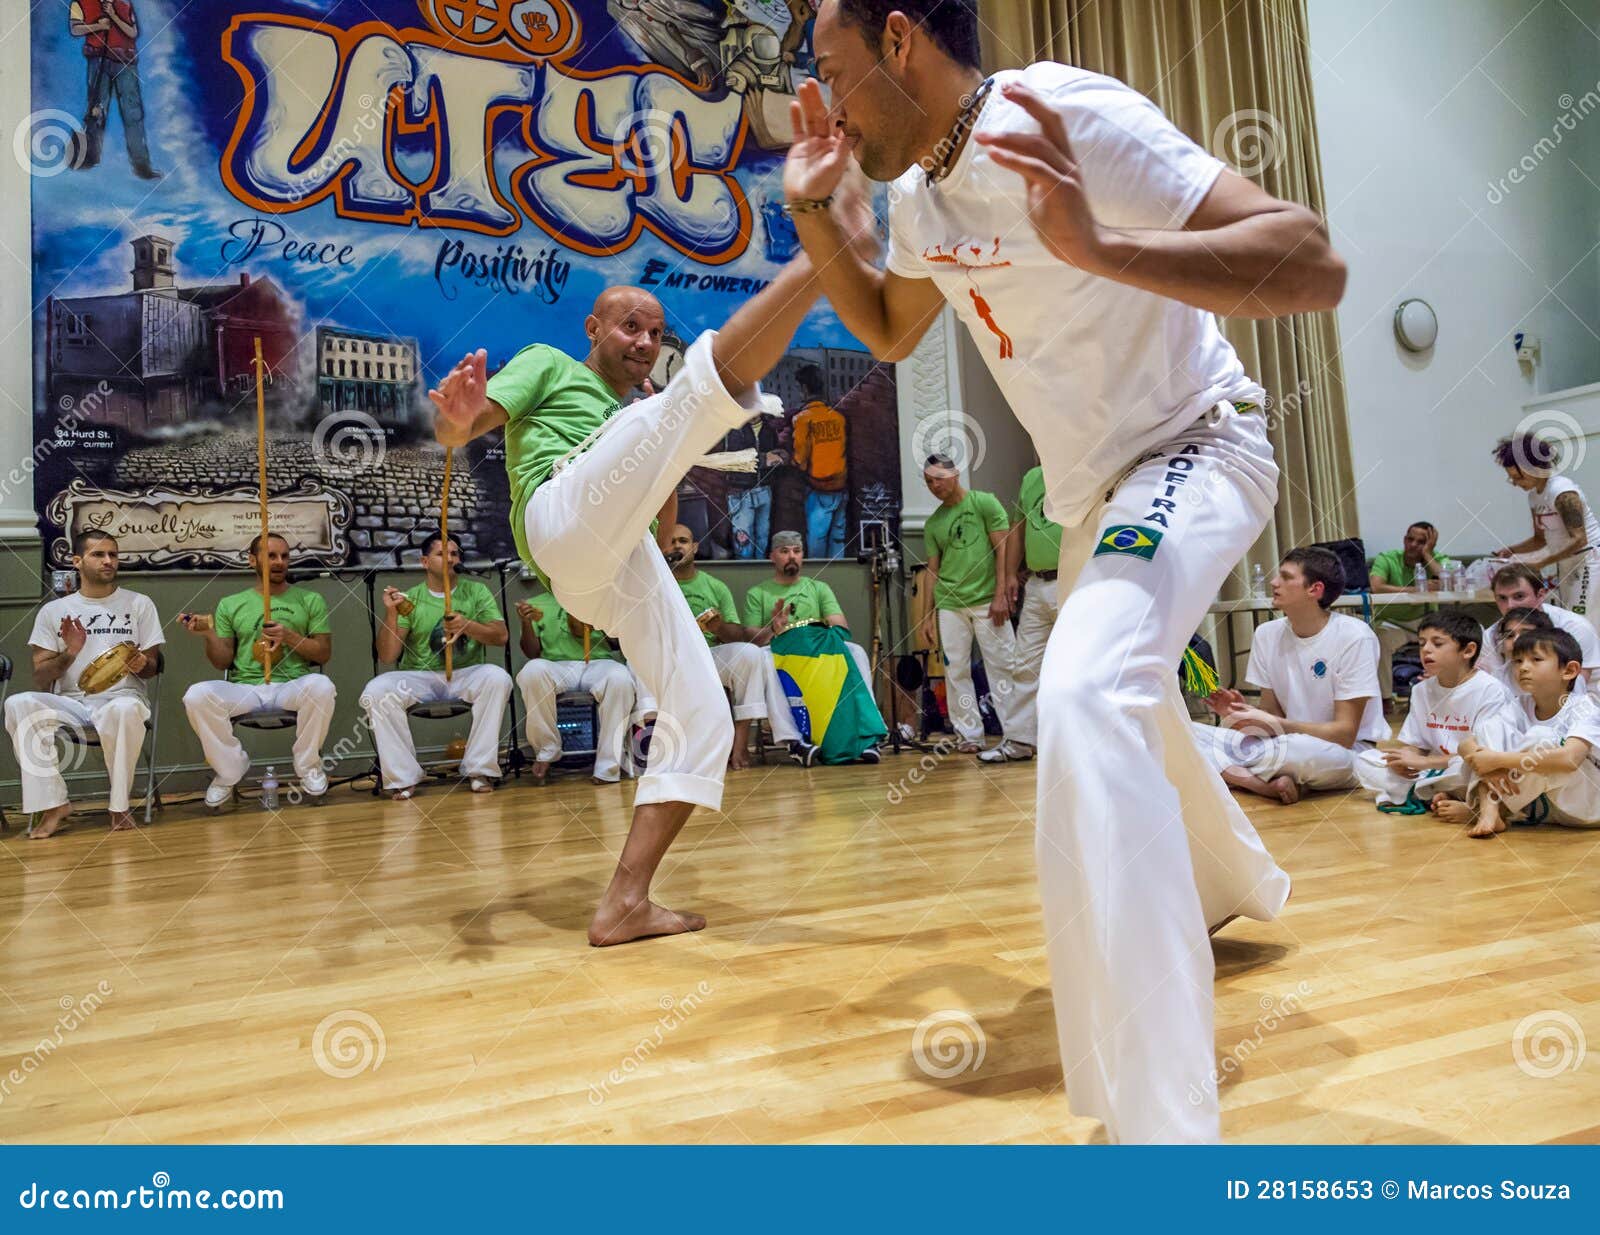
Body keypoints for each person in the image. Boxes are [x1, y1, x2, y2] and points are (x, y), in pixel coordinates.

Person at [784, 0, 1345, 1142]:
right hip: (1095, 499)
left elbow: (1312, 262)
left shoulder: (1065, 113)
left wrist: (1101, 247)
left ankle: (1162, 1125)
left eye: (837, 74)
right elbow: (891, 326)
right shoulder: (914, 194)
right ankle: (1222, 889)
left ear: (900, 42)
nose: (831, 105)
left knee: (1085, 693)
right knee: (1123, 703)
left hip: (1195, 445)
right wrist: (811, 212)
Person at [429, 247, 846, 946]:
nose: (646, 344)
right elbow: (460, 426)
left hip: (611, 566)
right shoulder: (548, 364)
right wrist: (454, 421)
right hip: (559, 518)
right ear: (592, 328)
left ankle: (626, 900)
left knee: (705, 711)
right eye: (630, 328)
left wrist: (665, 448)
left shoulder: (638, 410)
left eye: (655, 333)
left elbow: (659, 524)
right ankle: (813, 265)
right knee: (681, 402)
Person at [1192, 547, 1385, 804]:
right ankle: (1262, 784)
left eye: (1285, 577)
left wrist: (1276, 726)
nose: (1274, 582)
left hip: (1343, 752)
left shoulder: (1354, 636)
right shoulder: (1266, 634)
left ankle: (1241, 775)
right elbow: (1274, 718)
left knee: (1297, 750)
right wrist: (1241, 714)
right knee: (1186, 730)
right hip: (1282, 743)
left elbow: (1344, 734)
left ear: (1314, 590)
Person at [4, 530, 162, 838]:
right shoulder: (54, 611)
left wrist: (143, 665)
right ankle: (53, 805)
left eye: (113, 555)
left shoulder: (140, 604)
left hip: (122, 697)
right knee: (18, 703)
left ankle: (119, 806)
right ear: (77, 561)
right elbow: (41, 676)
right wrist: (71, 652)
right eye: (98, 555)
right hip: (73, 702)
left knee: (126, 709)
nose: (108, 561)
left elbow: (153, 667)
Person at [180, 534, 336, 809]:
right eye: (271, 556)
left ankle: (308, 764)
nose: (279, 562)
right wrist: (209, 635)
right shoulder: (231, 603)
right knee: (196, 695)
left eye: (285, 556)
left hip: (293, 685)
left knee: (322, 686)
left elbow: (322, 654)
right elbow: (222, 662)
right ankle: (229, 770)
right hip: (246, 688)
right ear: (252, 560)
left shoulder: (310, 600)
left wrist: (288, 636)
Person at [363, 532, 513, 800]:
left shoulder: (476, 591)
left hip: (465, 674)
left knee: (498, 677)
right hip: (420, 676)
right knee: (377, 689)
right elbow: (387, 655)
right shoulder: (411, 599)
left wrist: (467, 624)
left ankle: (479, 769)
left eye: (455, 553)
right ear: (424, 561)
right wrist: (392, 612)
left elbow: (500, 636)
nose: (451, 558)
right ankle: (403, 777)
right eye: (442, 553)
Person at [663, 523, 818, 768]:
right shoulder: (655, 586)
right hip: (667, 658)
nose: (677, 546)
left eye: (683, 541)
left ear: (694, 548)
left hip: (708, 654)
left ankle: (740, 742)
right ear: (662, 548)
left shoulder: (715, 587)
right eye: (671, 542)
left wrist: (718, 627)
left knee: (749, 654)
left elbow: (737, 635)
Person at [1354, 609, 1522, 814]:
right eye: (1422, 643)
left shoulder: (1490, 690)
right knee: (1364, 760)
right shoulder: (1420, 690)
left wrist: (1424, 763)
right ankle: (1436, 793)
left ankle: (1425, 794)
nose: (1426, 650)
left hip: (1469, 768)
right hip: (1434, 771)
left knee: (1471, 771)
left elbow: (1486, 757)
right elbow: (1417, 745)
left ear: (1468, 650)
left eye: (1438, 643)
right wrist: (1403, 760)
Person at [917, 454, 1024, 760]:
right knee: (956, 670)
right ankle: (969, 734)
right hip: (950, 604)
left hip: (988, 601)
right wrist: (927, 616)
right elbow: (932, 573)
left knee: (1004, 665)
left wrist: (1002, 592)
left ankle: (1016, 734)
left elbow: (1003, 548)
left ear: (955, 474)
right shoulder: (934, 522)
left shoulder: (984, 502)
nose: (934, 485)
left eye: (938, 478)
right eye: (928, 482)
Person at [1453, 628, 1600, 836]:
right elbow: (1466, 744)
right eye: (1518, 661)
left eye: (1536, 660)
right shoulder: (1520, 704)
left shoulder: (1584, 707)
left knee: (1542, 738)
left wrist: (1497, 760)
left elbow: (1569, 759)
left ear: (1569, 670)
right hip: (1544, 808)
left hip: (1588, 807)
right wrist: (1491, 767)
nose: (1523, 668)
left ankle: (1486, 810)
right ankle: (1490, 812)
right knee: (1490, 729)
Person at [514, 595, 637, 786]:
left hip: (598, 662)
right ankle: (546, 751)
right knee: (531, 672)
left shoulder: (602, 597)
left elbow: (617, 645)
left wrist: (598, 623)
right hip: (556, 665)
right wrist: (526, 623)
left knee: (620, 679)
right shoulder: (538, 602)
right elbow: (532, 653)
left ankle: (608, 765)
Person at [1493, 432, 1600, 630]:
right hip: (1566, 563)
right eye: (1512, 479)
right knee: (1568, 620)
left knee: (1583, 622)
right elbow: (1539, 539)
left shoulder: (1562, 492)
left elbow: (1579, 539)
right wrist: (1512, 550)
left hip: (1589, 561)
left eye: (1518, 477)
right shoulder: (1534, 497)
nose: (1516, 483)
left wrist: (1540, 562)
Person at [743, 529, 873, 686]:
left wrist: (813, 635)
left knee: (856, 652)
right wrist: (773, 629)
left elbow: (840, 627)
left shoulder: (819, 588)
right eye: (784, 551)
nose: (792, 556)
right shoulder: (757, 593)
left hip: (817, 649)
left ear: (802, 555)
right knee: (758, 657)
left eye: (796, 551)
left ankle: (863, 709)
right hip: (779, 654)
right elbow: (750, 638)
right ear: (772, 557)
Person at [1001, 462, 1062, 760]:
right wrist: (1011, 573)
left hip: (1073, 578)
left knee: (1072, 664)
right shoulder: (1031, 477)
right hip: (1037, 583)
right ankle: (1021, 740)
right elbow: (1017, 527)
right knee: (1025, 662)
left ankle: (1075, 740)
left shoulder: (1084, 466)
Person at [68, 1, 161, 179]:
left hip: (125, 64)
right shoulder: (80, 3)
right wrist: (98, 26)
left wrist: (114, 16)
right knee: (96, 111)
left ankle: (141, 166)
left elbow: (132, 32)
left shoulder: (124, 3)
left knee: (132, 113)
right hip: (97, 62)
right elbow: (75, 29)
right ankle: (89, 160)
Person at [1367, 521, 1457, 701]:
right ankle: (1385, 699)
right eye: (1410, 539)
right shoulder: (1388, 558)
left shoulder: (1437, 559)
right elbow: (1376, 586)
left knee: (1453, 639)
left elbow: (1453, 583)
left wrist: (1427, 555)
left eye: (1421, 542)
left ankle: (1449, 693)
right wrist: (1414, 590)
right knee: (1379, 640)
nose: (1414, 545)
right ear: (1404, 539)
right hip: (1393, 623)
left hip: (1426, 622)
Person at [1477, 563, 1600, 686]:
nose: (1510, 606)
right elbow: (1496, 687)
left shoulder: (1576, 627)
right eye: (1502, 598)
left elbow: (1575, 690)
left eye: (1519, 596)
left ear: (1541, 595)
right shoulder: (1491, 636)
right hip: (1519, 700)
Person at [791, 363, 848, 557]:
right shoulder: (838, 418)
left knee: (817, 545)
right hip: (841, 490)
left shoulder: (802, 419)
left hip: (819, 490)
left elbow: (800, 460)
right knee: (838, 544)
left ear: (804, 389)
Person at [721, 399, 788, 559]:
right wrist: (766, 458)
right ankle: (744, 573)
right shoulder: (734, 429)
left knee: (763, 537)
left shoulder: (768, 429)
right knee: (743, 539)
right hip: (741, 491)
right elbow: (733, 458)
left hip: (764, 489)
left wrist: (780, 456)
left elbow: (774, 453)